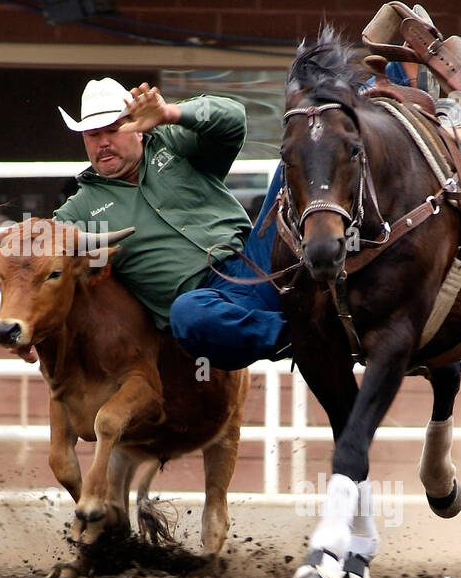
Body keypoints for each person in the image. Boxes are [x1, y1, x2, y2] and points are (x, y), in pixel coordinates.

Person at [52, 78, 289, 370]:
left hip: (256, 259)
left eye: (113, 130)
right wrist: (25, 328)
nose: (103, 142)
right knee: (187, 314)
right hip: (209, 304)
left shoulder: (173, 143)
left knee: (295, 156)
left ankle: (354, 257)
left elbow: (234, 118)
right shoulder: (81, 210)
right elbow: (34, 260)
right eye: (92, 134)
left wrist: (170, 114)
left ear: (138, 128)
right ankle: (302, 336)